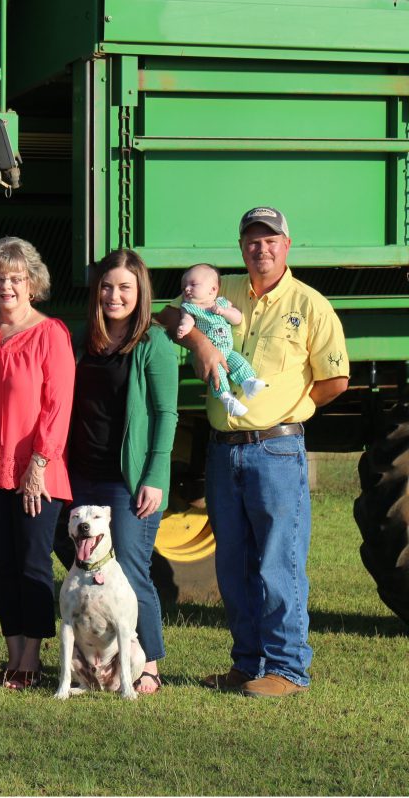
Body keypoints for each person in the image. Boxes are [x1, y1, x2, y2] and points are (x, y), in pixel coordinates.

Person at [161, 206, 349, 698]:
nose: (260, 248)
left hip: (276, 450)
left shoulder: (310, 305)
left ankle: (288, 669)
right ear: (241, 246)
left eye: (270, 240)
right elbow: (164, 312)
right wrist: (200, 342)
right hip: (225, 452)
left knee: (277, 562)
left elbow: (335, 380)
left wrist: (288, 411)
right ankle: (248, 664)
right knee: (233, 565)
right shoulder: (224, 291)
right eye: (251, 240)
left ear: (287, 245)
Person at [55, 248, 179, 695]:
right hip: (80, 474)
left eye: (125, 287)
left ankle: (150, 664)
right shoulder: (83, 340)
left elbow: (167, 413)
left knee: (129, 565)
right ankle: (96, 655)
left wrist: (156, 476)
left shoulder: (153, 344)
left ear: (140, 292)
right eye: (107, 286)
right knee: (74, 554)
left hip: (127, 480)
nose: (114, 295)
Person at [0, 237, 74, 690]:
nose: (6, 286)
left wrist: (38, 464)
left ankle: (31, 661)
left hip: (36, 470)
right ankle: (13, 657)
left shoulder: (50, 333)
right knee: (2, 565)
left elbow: (58, 404)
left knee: (33, 564)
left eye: (15, 278)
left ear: (32, 283)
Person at [177, 263, 266, 417]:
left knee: (238, 361)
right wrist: (184, 327)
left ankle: (248, 382)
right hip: (211, 353)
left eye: (193, 285)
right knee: (217, 373)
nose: (187, 289)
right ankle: (226, 398)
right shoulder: (189, 308)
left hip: (227, 350)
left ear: (213, 289)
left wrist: (224, 312)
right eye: (184, 286)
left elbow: (237, 318)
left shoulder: (222, 303)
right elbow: (187, 321)